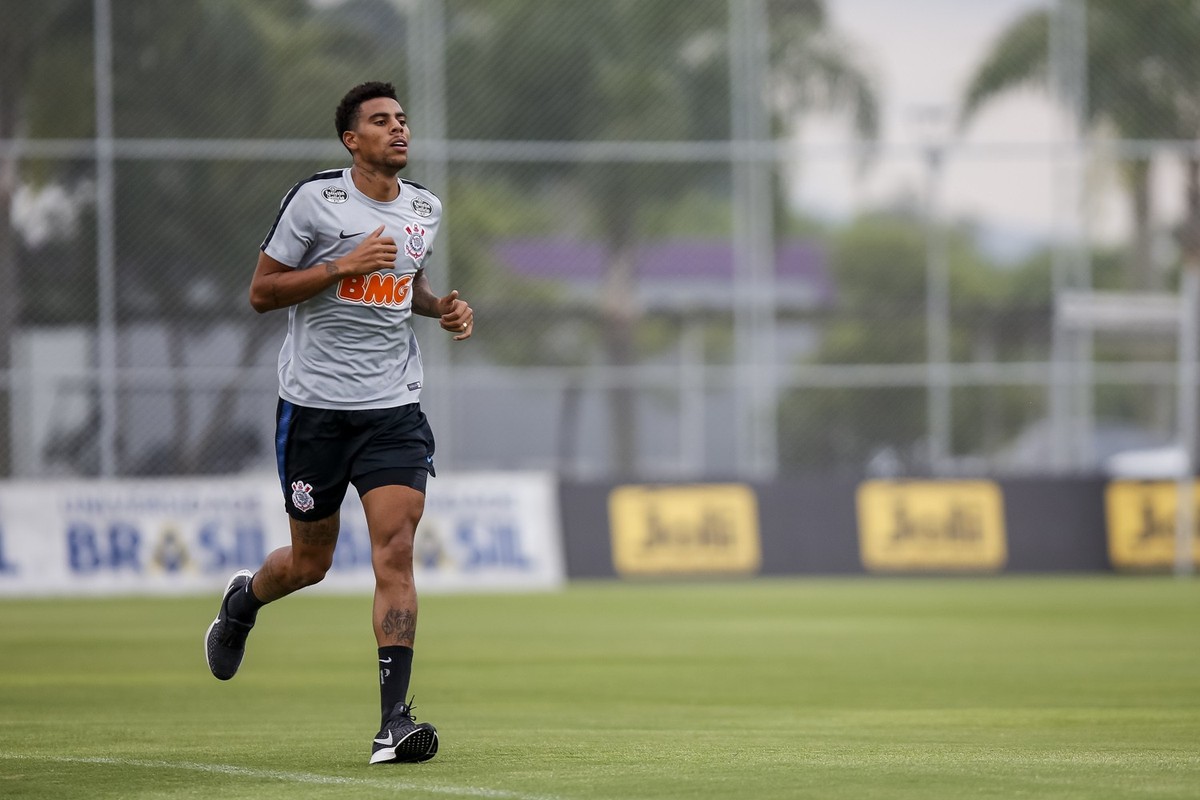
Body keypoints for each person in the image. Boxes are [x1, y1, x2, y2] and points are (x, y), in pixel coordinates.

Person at [203, 81, 472, 765]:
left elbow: (403, 286)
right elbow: (262, 294)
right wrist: (338, 266)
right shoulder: (314, 202)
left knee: (396, 549)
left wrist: (440, 308)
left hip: (393, 408)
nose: (398, 129)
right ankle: (242, 603)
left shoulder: (424, 208)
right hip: (316, 409)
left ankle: (394, 724)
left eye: (403, 120)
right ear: (352, 140)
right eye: (381, 122)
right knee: (309, 563)